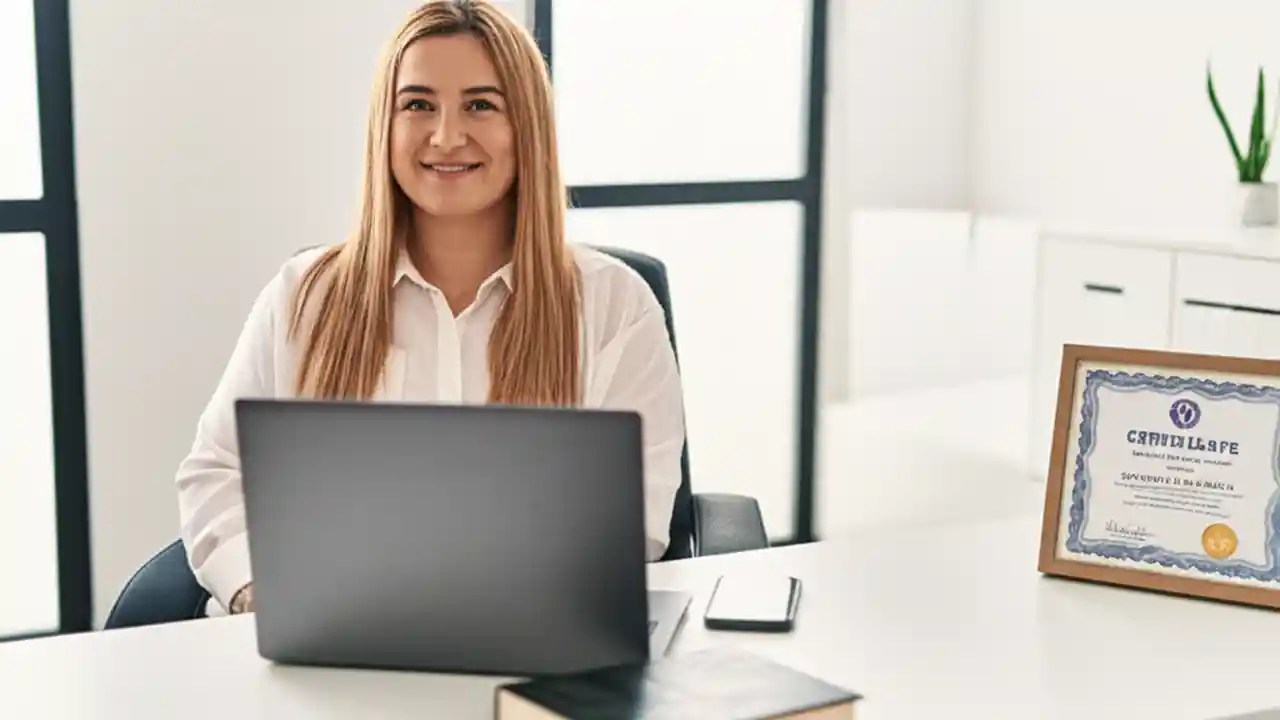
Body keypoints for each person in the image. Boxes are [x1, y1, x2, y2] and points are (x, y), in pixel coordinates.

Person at [175, 0, 685, 617]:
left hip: (527, 639)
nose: (446, 136)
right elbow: (215, 473)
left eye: (481, 104)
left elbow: (634, 519)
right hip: (329, 646)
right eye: (418, 104)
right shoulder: (303, 296)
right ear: (383, 129)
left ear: (526, 126)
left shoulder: (614, 303)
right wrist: (258, 587)